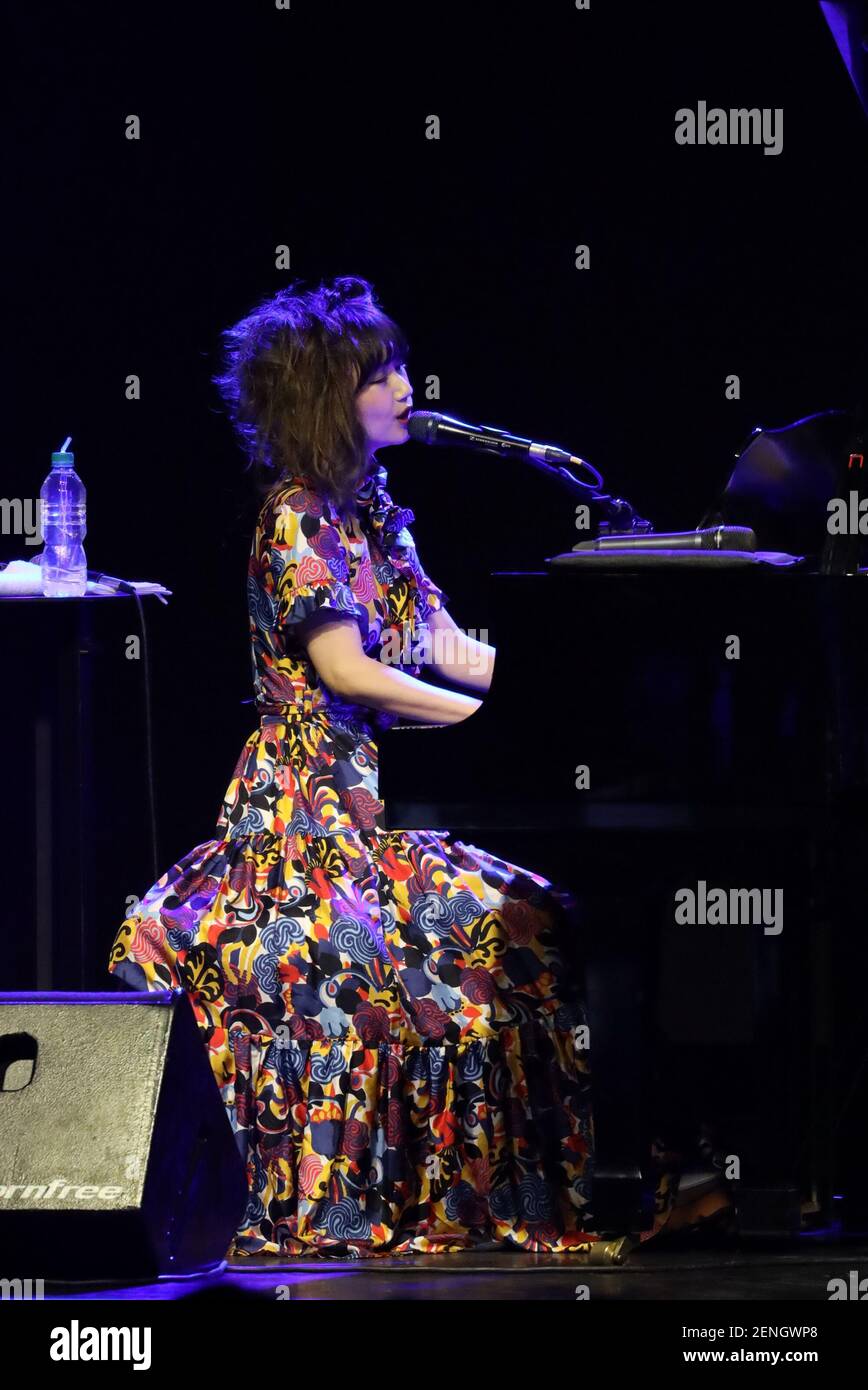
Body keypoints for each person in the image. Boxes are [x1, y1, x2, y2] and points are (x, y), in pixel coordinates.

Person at [108, 274, 732, 1259]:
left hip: (381, 814)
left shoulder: (376, 517)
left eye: (398, 364)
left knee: (543, 915)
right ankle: (512, 1190)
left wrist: (552, 691)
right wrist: (490, 712)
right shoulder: (297, 521)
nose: (405, 383)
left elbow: (445, 647)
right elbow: (347, 670)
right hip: (305, 836)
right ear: (324, 395)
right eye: (378, 370)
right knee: (508, 929)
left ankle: (592, 1174)